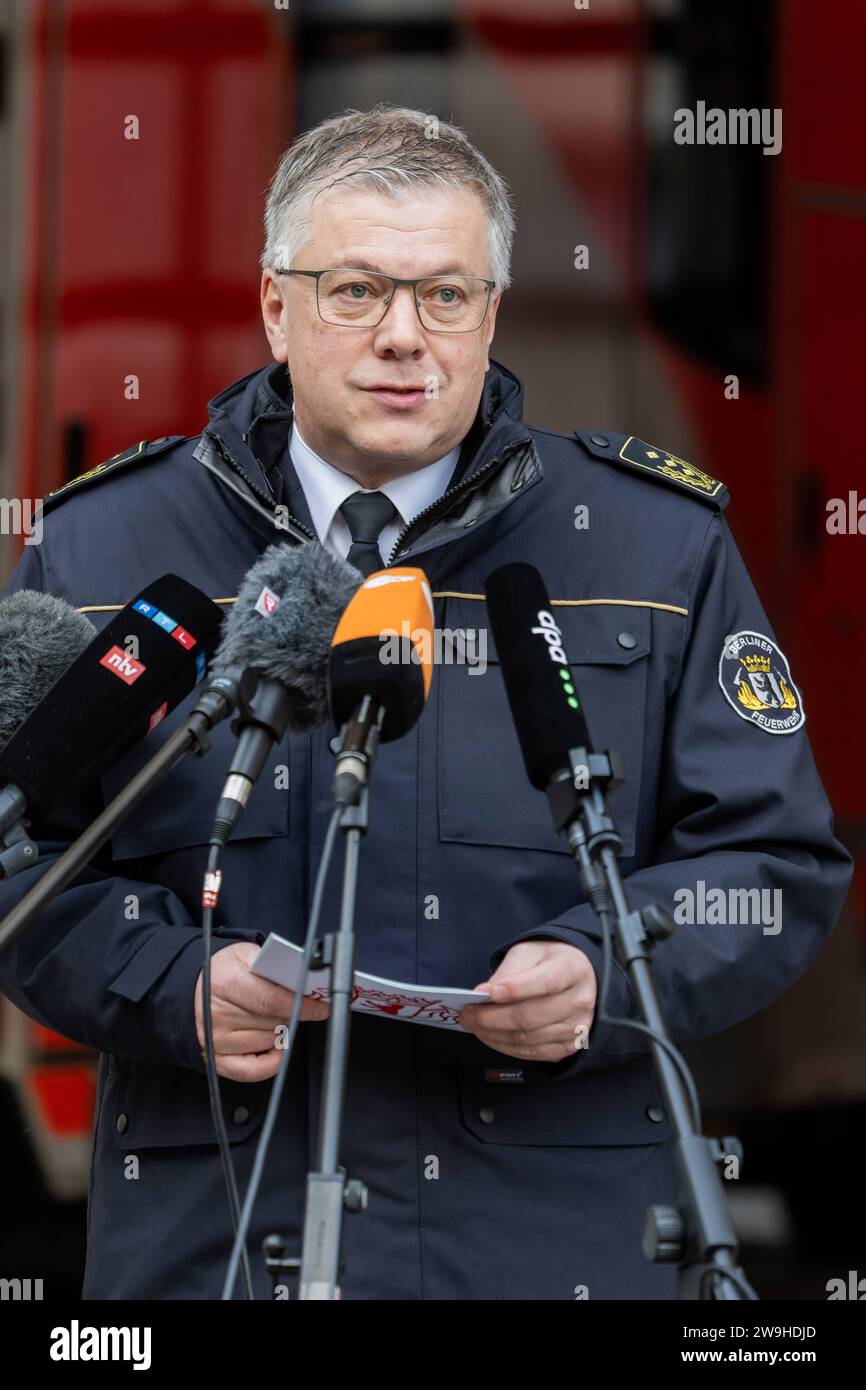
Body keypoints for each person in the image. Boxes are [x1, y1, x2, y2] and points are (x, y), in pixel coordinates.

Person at [0, 104, 851, 1300]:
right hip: (218, 1235)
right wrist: (162, 980)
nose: (405, 336)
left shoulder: (655, 549)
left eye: (445, 295)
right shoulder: (102, 549)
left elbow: (771, 861)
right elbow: (13, 849)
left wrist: (605, 968)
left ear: (491, 313)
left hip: (550, 1241)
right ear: (272, 309)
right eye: (354, 290)